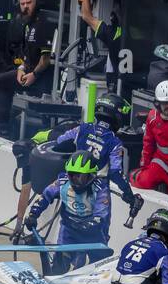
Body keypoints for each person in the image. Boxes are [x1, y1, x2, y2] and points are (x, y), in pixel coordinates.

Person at [38, 91, 141, 235]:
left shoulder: (82, 128)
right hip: (97, 192)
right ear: (117, 116)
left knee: (68, 231)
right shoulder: (114, 142)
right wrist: (129, 194)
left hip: (73, 183)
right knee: (98, 241)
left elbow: (60, 142)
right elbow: (115, 172)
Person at [0, 0, 52, 138]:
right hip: (28, 72)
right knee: (0, 80)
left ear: (36, 2)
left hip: (42, 77)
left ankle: (4, 129)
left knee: (1, 81)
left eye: (29, 3)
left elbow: (45, 59)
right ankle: (2, 128)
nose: (26, 6)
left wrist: (34, 74)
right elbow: (26, 53)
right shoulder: (28, 24)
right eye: (23, 4)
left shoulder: (43, 24)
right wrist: (21, 68)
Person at [23, 152, 112, 274]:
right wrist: (33, 214)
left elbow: (102, 215)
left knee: (100, 269)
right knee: (57, 269)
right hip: (69, 232)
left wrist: (87, 225)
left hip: (94, 235)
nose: (75, 180)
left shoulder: (101, 188)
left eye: (80, 177)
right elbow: (45, 196)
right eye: (72, 175)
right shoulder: (62, 182)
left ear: (91, 175)